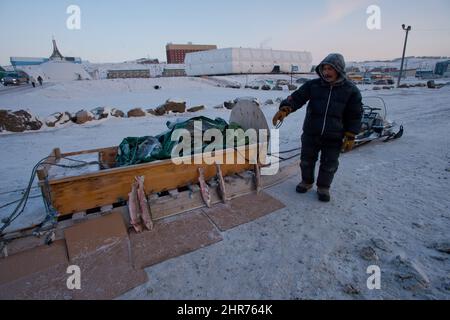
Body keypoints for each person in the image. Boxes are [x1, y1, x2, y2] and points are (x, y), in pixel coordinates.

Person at [272, 53, 363, 202]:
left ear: (339, 70)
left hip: (334, 136)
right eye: (324, 69)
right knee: (306, 161)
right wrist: (286, 108)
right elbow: (297, 97)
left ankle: (323, 187)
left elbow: (355, 115)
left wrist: (351, 134)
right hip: (311, 132)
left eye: (330, 69)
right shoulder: (313, 85)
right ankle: (307, 182)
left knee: (329, 164)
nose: (326, 72)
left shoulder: (351, 90)